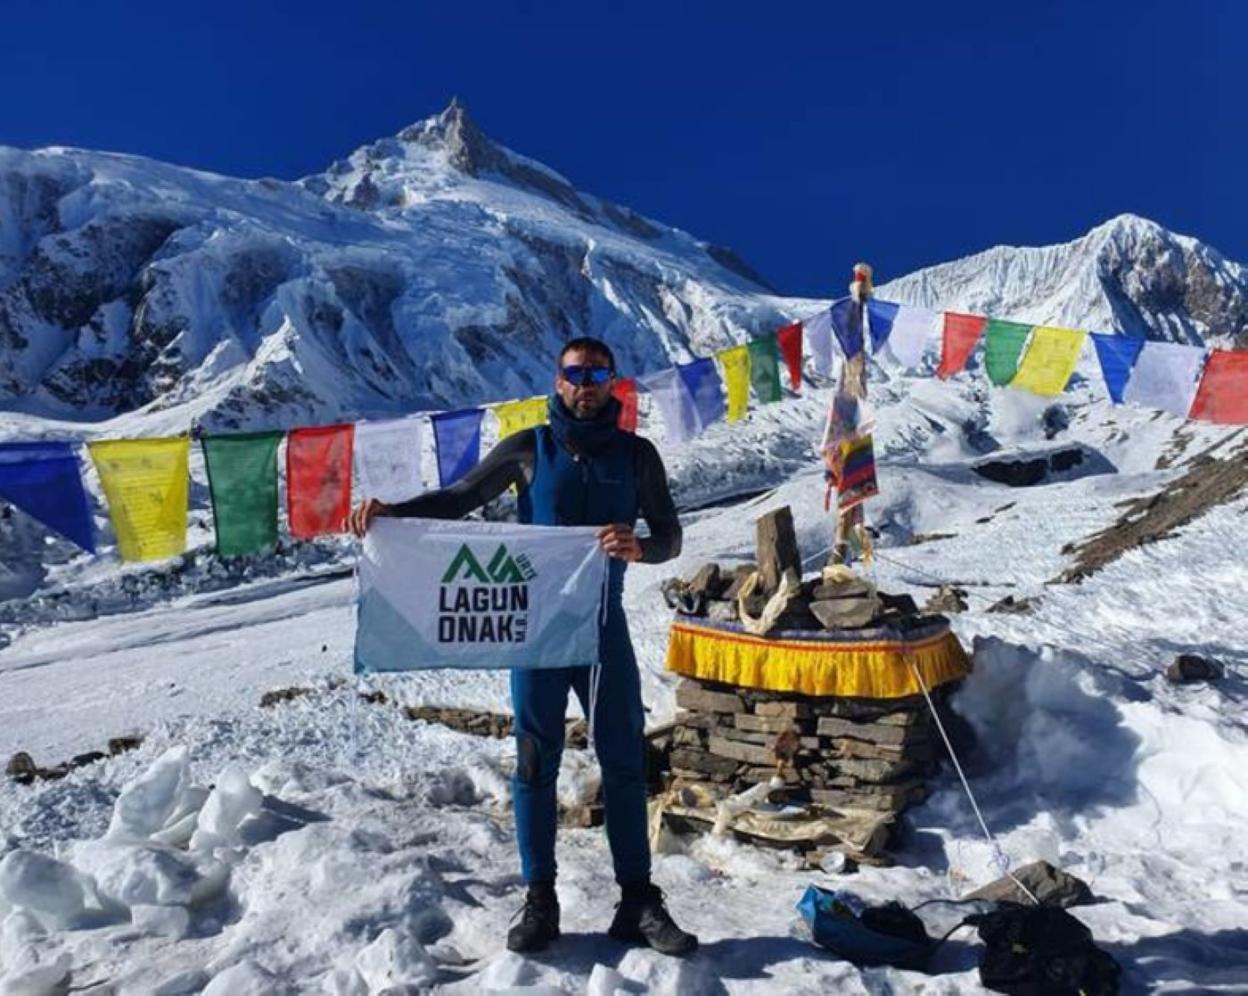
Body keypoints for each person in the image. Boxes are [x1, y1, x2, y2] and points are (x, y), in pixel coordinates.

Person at [348, 337, 697, 957]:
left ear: (612, 382)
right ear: (557, 380)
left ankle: (638, 900)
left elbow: (670, 533)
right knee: (536, 761)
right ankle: (541, 898)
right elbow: (457, 500)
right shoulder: (529, 448)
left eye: (597, 374)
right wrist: (391, 513)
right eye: (574, 373)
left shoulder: (636, 455)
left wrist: (643, 546)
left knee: (622, 759)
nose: (584, 383)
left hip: (599, 628)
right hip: (533, 629)